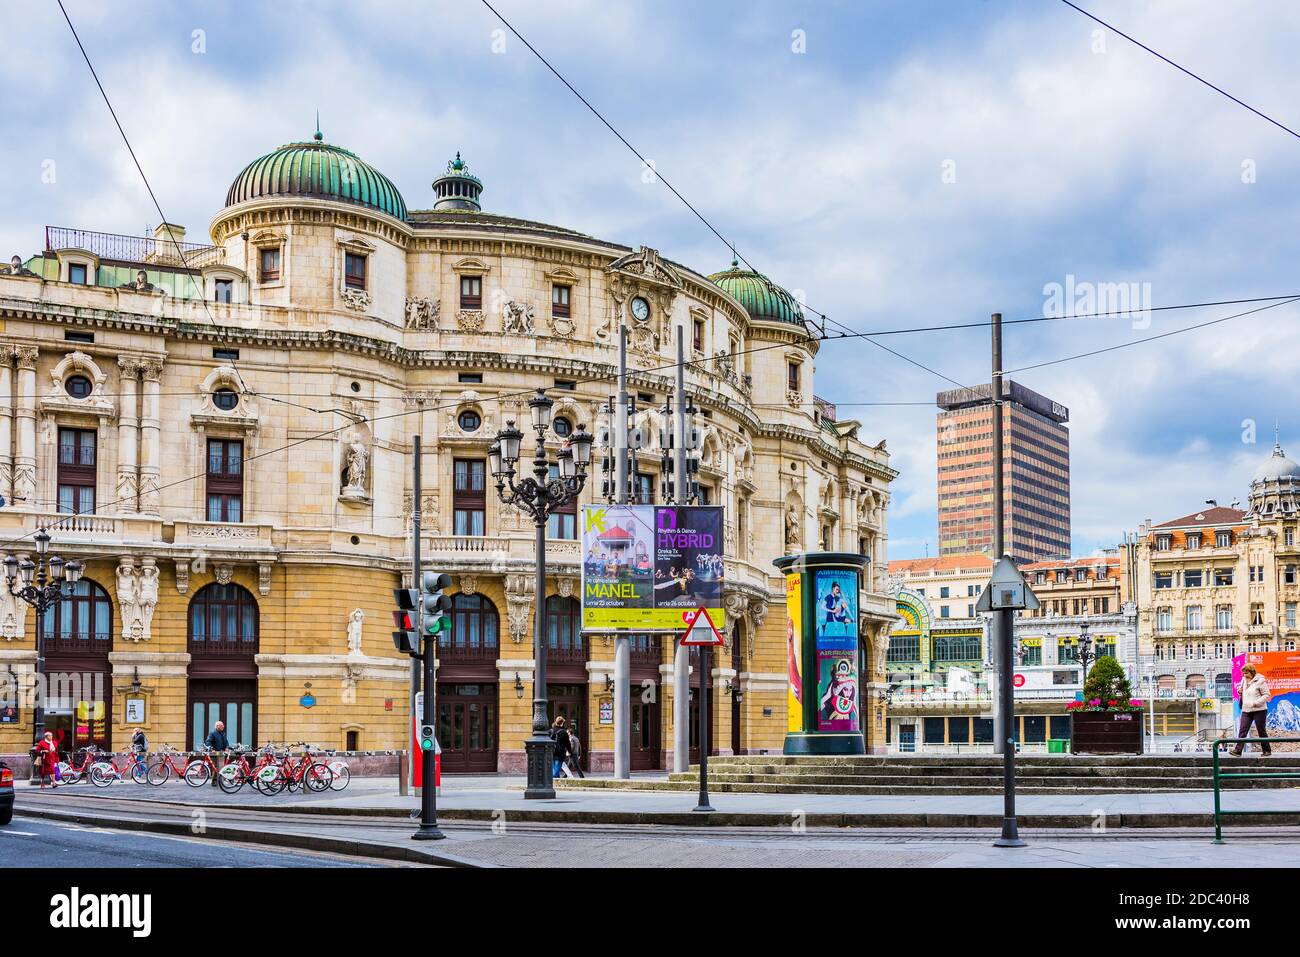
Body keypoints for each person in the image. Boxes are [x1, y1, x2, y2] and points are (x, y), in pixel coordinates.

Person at [1231, 664, 1272, 756]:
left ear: (1252, 672)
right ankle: (1238, 750)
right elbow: (1244, 692)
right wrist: (1240, 692)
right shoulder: (1244, 681)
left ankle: (1267, 750)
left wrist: (1255, 703)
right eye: (1243, 673)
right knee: (1243, 730)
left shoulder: (1260, 681)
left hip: (1259, 710)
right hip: (1246, 709)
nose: (1245, 675)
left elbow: (1267, 695)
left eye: (1246, 673)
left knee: (1261, 730)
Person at [205, 720, 231, 785]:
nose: (223, 726)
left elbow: (226, 741)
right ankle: (214, 781)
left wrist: (227, 747)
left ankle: (220, 780)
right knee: (216, 767)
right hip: (214, 753)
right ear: (217, 726)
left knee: (222, 767)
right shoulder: (212, 733)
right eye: (221, 725)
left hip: (222, 753)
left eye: (223, 725)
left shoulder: (223, 733)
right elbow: (208, 742)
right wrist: (212, 749)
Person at [549, 716, 571, 780]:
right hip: (560, 752)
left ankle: (556, 782)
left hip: (551, 751)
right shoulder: (564, 732)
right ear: (562, 723)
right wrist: (569, 751)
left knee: (554, 767)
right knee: (557, 768)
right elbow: (567, 743)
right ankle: (553, 780)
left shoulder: (550, 731)